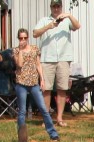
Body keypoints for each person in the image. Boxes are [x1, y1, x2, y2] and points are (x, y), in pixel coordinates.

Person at [33, 0, 80, 128]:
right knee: (46, 89)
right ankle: (46, 119)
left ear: (61, 7)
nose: (56, 8)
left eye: (58, 6)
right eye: (54, 6)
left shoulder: (66, 20)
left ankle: (59, 118)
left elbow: (77, 26)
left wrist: (69, 15)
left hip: (64, 58)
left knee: (62, 88)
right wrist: (49, 26)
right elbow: (35, 33)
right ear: (51, 7)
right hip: (47, 58)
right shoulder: (44, 20)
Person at [12, 29, 60, 142]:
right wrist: (21, 50)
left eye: (24, 38)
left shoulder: (34, 49)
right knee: (22, 111)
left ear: (28, 38)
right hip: (21, 83)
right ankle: (21, 136)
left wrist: (42, 79)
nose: (23, 40)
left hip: (33, 82)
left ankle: (53, 134)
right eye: (20, 38)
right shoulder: (15, 51)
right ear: (18, 38)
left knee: (43, 108)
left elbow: (38, 64)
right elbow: (19, 64)